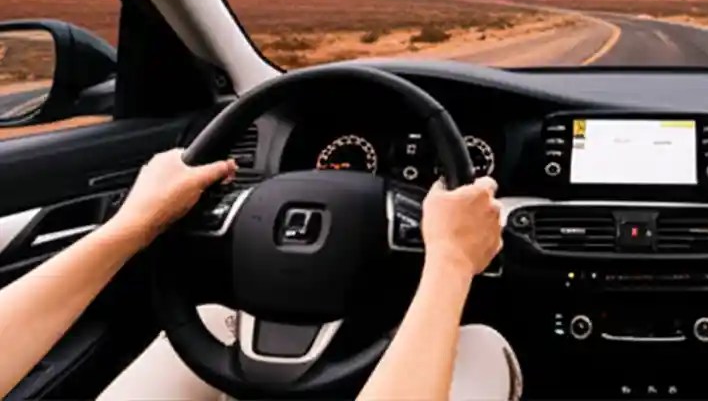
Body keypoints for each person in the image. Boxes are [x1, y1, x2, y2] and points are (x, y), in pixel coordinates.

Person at [0, 149, 511, 400]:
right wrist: (450, 259)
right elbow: (452, 257)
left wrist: (136, 223)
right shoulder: (449, 253)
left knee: (216, 319)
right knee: (480, 346)